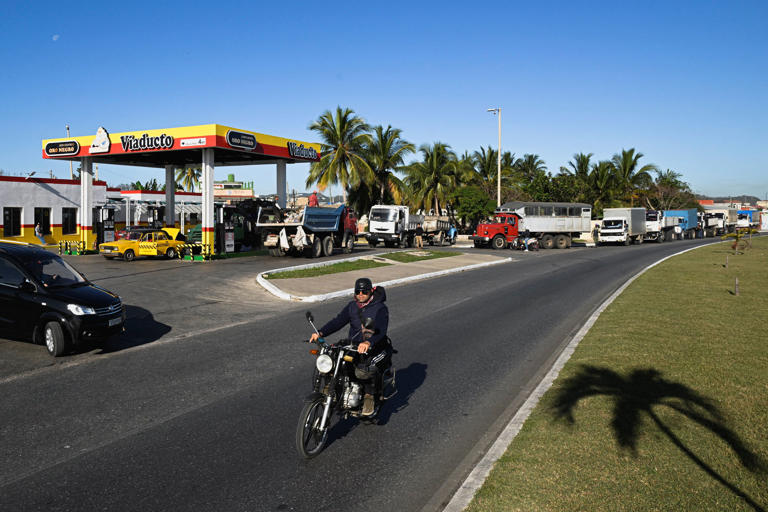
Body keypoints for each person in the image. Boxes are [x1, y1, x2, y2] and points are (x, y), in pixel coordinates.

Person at [310, 277, 389, 416]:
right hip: (353, 345)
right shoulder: (352, 306)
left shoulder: (380, 308)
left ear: (371, 291)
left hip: (374, 346)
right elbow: (338, 321)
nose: (361, 294)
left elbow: (382, 330)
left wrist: (369, 342)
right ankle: (332, 388)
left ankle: (369, 396)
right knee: (333, 359)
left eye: (364, 291)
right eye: (358, 291)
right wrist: (320, 333)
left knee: (364, 370)